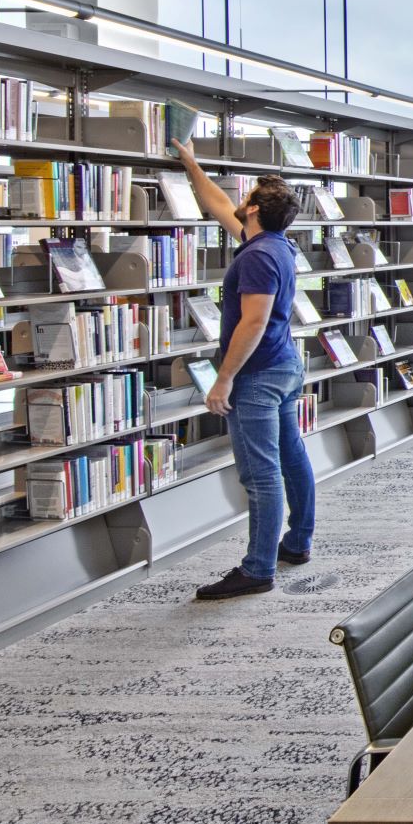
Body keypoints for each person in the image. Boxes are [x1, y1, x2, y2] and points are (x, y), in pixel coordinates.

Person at [170, 142, 313, 600]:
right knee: (291, 457)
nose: (239, 198)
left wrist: (224, 378)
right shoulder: (273, 244)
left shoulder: (256, 256)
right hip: (284, 365)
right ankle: (297, 542)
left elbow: (253, 322)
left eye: (246, 195)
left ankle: (257, 569)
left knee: (261, 474)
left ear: (252, 209)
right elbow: (217, 203)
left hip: (258, 374)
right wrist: (191, 163)